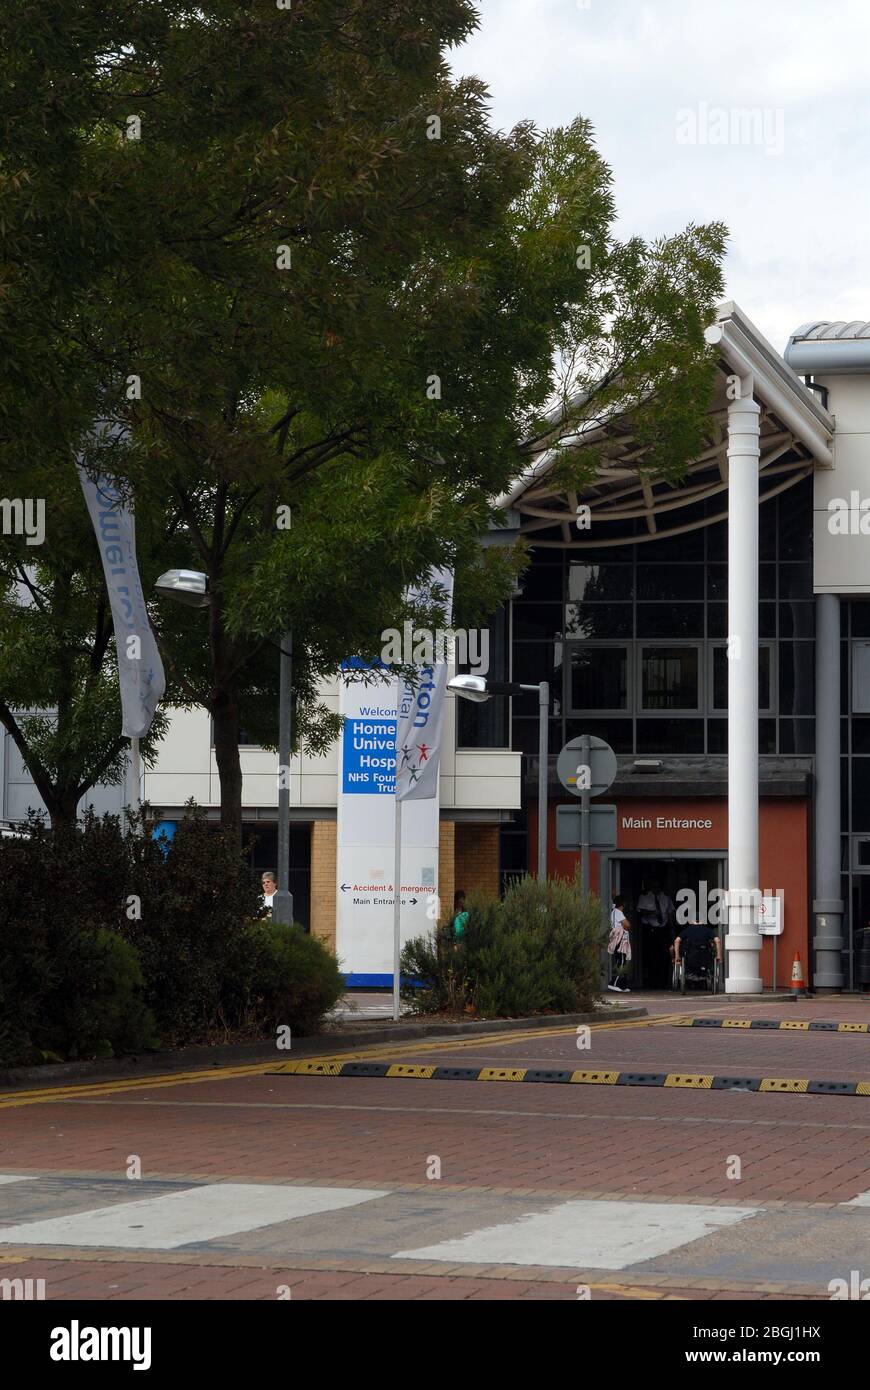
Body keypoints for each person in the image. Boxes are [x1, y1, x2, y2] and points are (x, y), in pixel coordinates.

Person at [674, 917, 722, 987]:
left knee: (686, 953)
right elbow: (717, 940)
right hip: (705, 959)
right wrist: (719, 955)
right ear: (703, 921)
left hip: (690, 959)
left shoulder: (687, 930)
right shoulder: (707, 930)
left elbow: (677, 941)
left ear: (692, 921)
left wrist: (677, 956)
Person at [607, 894, 631, 993]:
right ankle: (614, 983)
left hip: (615, 938)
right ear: (623, 904)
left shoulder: (613, 912)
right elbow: (627, 924)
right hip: (620, 939)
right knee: (621, 961)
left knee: (622, 960)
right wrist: (626, 925)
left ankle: (622, 984)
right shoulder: (618, 912)